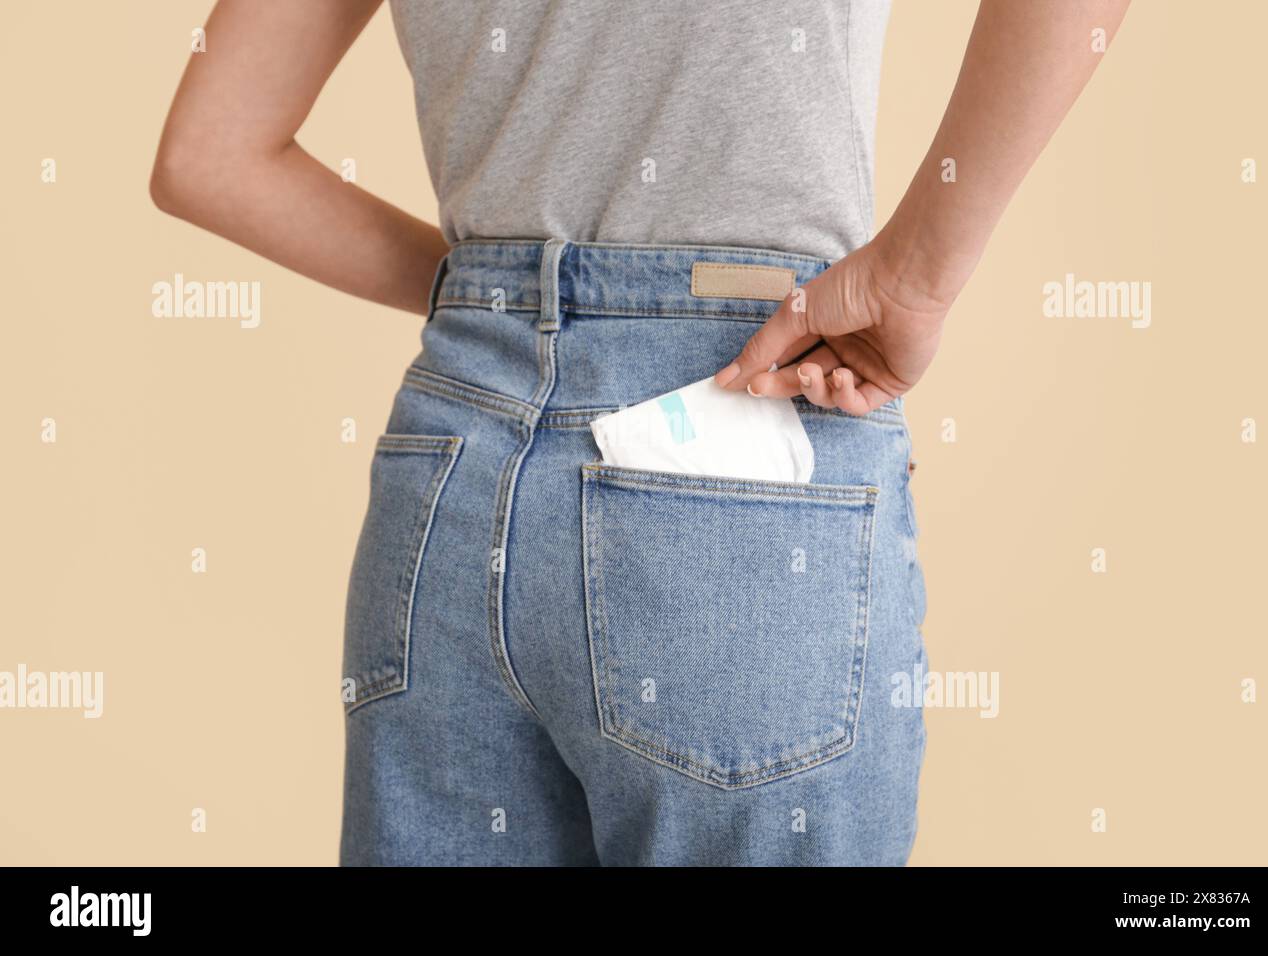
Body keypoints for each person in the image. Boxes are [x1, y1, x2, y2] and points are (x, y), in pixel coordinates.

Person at [151, 0, 1129, 866]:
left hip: (454, 454)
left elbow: (209, 155)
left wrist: (500, 308)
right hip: (745, 420)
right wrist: (914, 271)